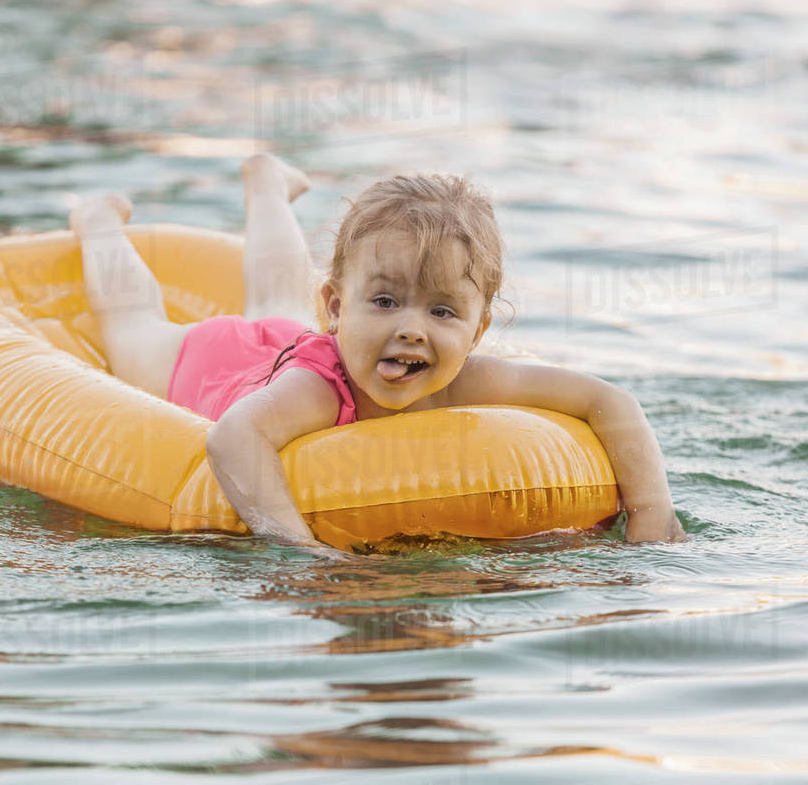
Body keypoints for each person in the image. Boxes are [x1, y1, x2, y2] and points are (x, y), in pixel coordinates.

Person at [68, 153, 686, 554]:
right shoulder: (316, 390)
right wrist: (298, 550)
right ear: (336, 308)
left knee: (275, 301)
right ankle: (98, 222)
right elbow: (233, 437)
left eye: (442, 312)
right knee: (135, 329)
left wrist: (652, 511)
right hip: (217, 362)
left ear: (477, 331)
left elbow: (607, 400)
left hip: (286, 341)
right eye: (386, 302)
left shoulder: (469, 380)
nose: (413, 330)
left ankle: (268, 187)